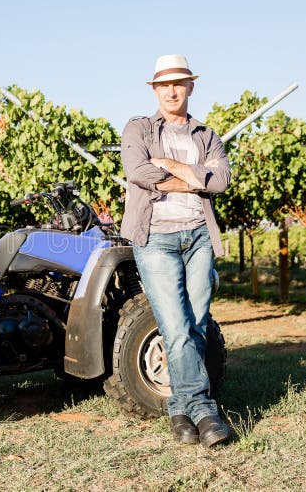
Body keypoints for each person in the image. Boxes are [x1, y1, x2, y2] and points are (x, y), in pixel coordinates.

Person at [120, 54, 232, 448]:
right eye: (164, 84)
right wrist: (193, 176)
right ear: (155, 90)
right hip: (156, 238)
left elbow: (220, 181)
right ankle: (203, 410)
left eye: (179, 83)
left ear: (190, 87)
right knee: (176, 325)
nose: (171, 90)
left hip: (199, 236)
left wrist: (171, 170)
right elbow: (138, 171)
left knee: (197, 325)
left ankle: (179, 409)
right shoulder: (138, 128)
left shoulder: (207, 135)